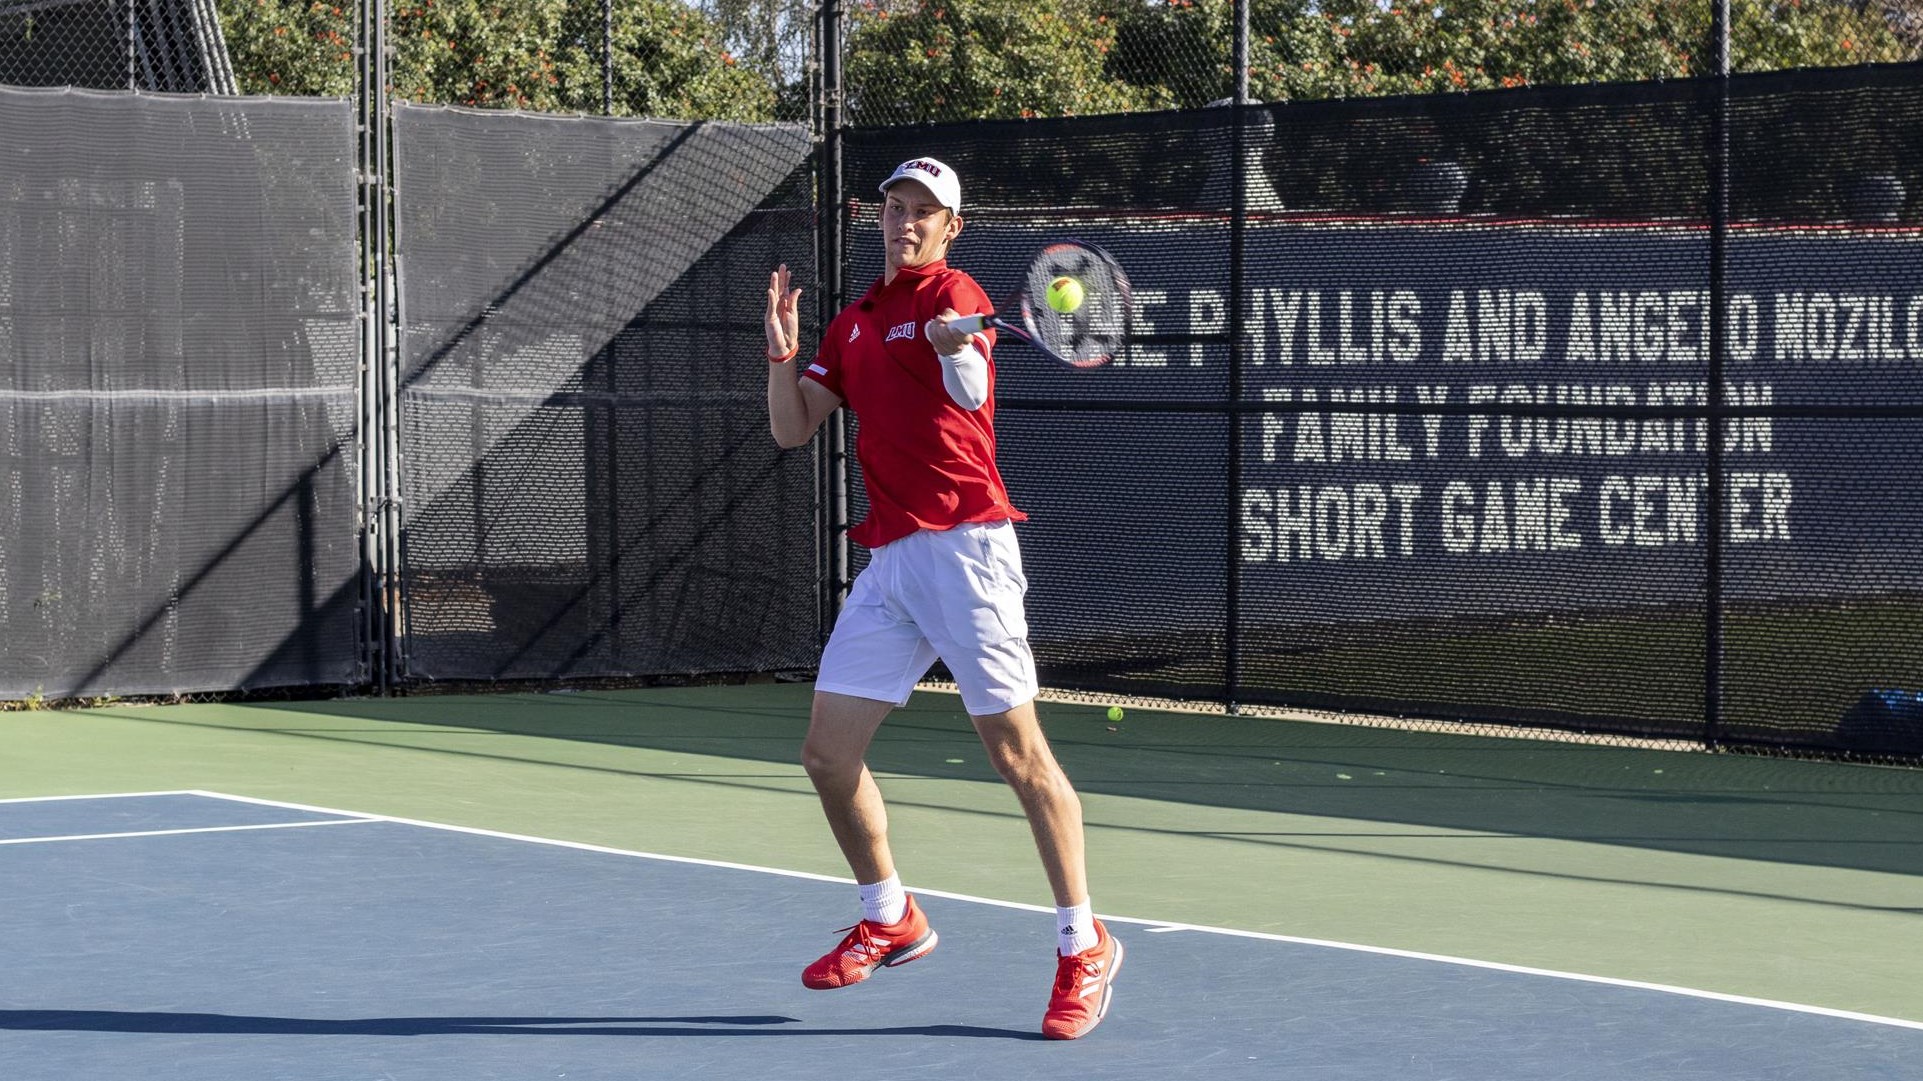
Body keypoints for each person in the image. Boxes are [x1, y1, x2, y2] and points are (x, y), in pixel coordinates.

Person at [762, 157, 1122, 1040]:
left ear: (950, 225)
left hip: (966, 550)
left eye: (924, 212)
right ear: (878, 216)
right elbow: (790, 427)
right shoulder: (853, 324)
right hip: (890, 559)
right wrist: (781, 349)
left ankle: (1085, 942)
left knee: (1018, 756)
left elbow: (971, 393)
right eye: (894, 208)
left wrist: (958, 346)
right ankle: (890, 916)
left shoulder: (954, 294)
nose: (905, 223)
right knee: (825, 753)